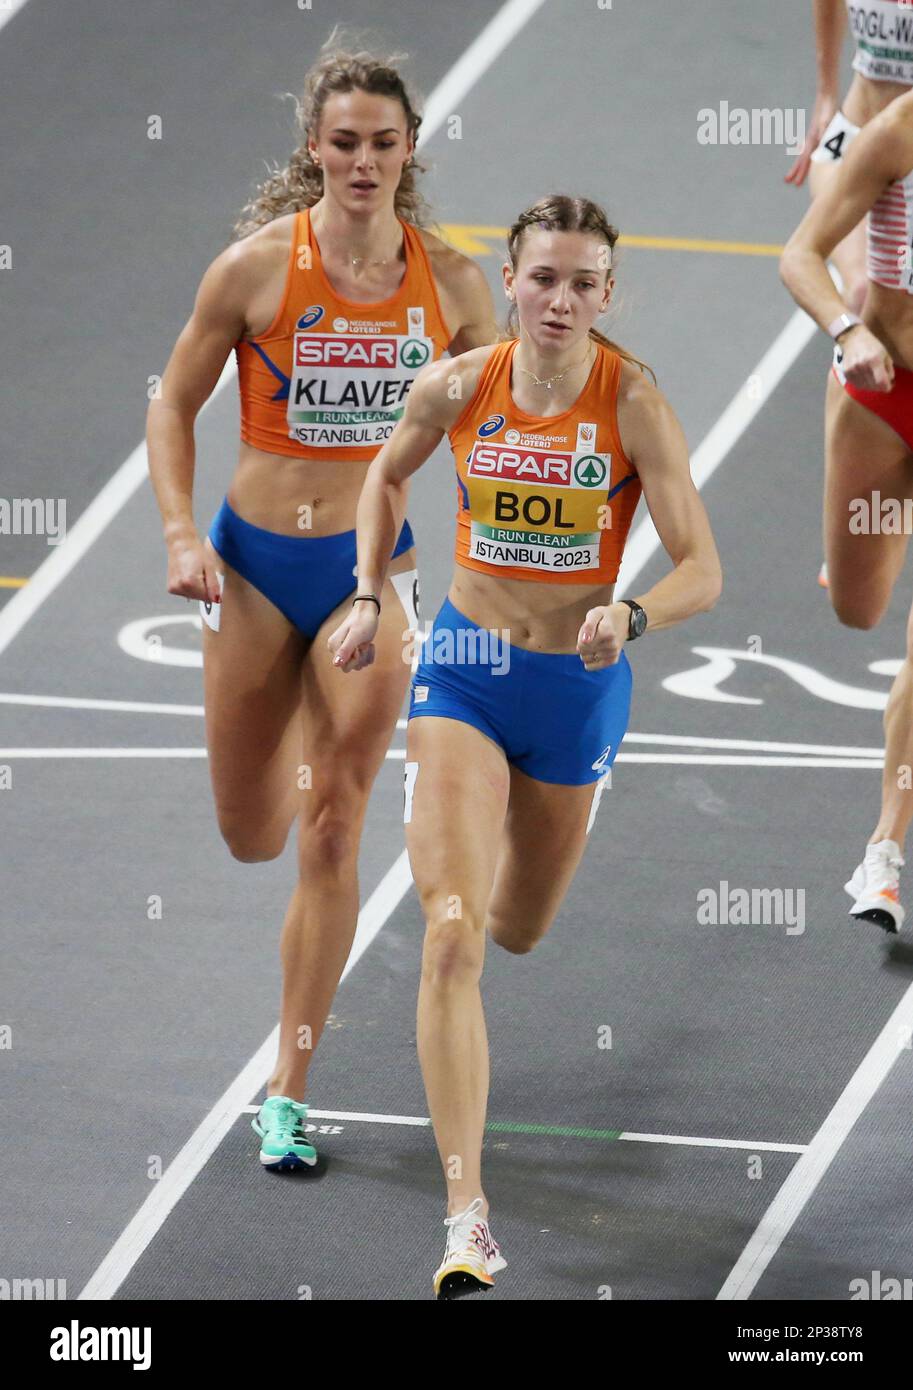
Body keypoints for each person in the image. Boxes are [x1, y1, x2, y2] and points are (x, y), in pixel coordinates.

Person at [329, 195, 722, 1297]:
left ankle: (515, 829)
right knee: (448, 933)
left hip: (575, 692)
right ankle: (469, 1219)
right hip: (463, 673)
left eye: (582, 282)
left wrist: (635, 612)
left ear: (609, 295)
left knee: (516, 928)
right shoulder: (458, 386)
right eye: (543, 276)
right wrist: (371, 589)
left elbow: (702, 565)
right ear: (511, 279)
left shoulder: (633, 403)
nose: (560, 298)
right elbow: (385, 472)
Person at [146, 33, 499, 1173]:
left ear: (410, 152)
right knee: (253, 832)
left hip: (371, 586)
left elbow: (507, 427)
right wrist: (178, 531)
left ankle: (288, 1090)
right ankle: (291, 723)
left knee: (336, 821)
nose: (362, 161)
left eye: (383, 143)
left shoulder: (449, 285)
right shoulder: (254, 268)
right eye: (343, 142)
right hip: (251, 573)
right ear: (315, 148)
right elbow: (172, 405)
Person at [781, 90, 913, 935]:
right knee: (857, 609)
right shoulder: (899, 130)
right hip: (879, 392)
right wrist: (844, 329)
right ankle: (866, 542)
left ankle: (884, 853)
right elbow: (800, 253)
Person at [786, 0, 913, 587]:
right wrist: (824, 93)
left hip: (904, 151)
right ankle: (850, 501)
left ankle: (885, 498)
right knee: (858, 289)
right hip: (855, 135)